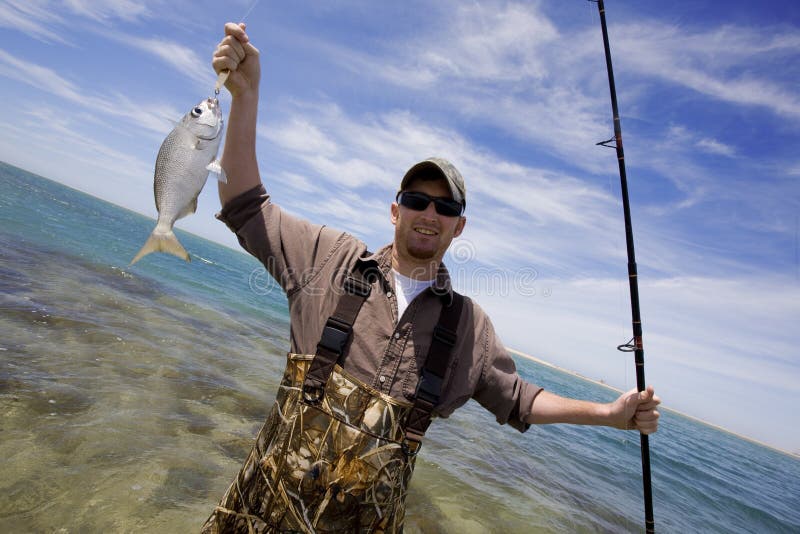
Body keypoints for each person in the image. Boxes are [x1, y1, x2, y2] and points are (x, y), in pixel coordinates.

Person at [202, 22, 660, 533]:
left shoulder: (468, 326)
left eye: (444, 207)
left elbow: (519, 399)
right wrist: (246, 94)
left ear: (459, 226)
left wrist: (611, 414)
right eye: (417, 200)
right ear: (395, 211)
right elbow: (246, 205)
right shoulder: (328, 259)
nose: (429, 213)